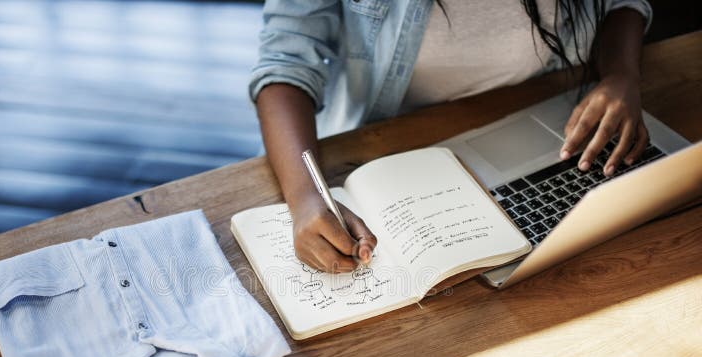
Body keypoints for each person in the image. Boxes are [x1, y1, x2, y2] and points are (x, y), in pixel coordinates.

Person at [248, 0, 653, 274]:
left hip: (549, 110)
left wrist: (621, 74)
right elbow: (286, 60)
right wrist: (304, 197)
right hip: (385, 143)